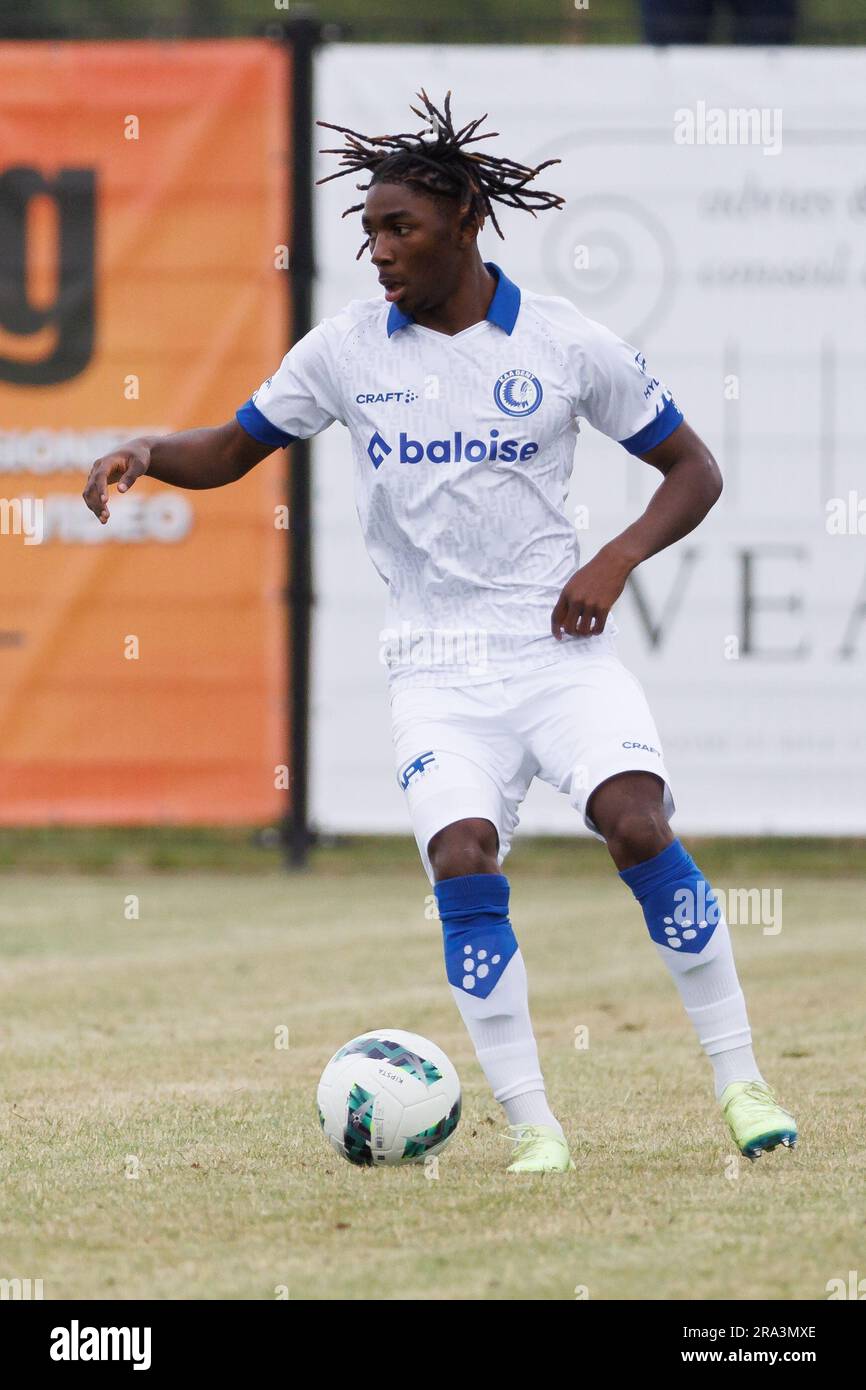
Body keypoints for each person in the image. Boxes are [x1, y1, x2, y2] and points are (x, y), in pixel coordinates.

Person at [83, 91, 797, 1173]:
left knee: (637, 822)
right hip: (433, 668)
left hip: (554, 653)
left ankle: (739, 1081)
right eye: (367, 229)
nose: (376, 251)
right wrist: (144, 446)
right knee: (462, 857)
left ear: (464, 218)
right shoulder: (343, 352)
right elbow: (231, 449)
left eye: (397, 228)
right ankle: (534, 1128)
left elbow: (693, 469)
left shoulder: (564, 342)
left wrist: (611, 558)